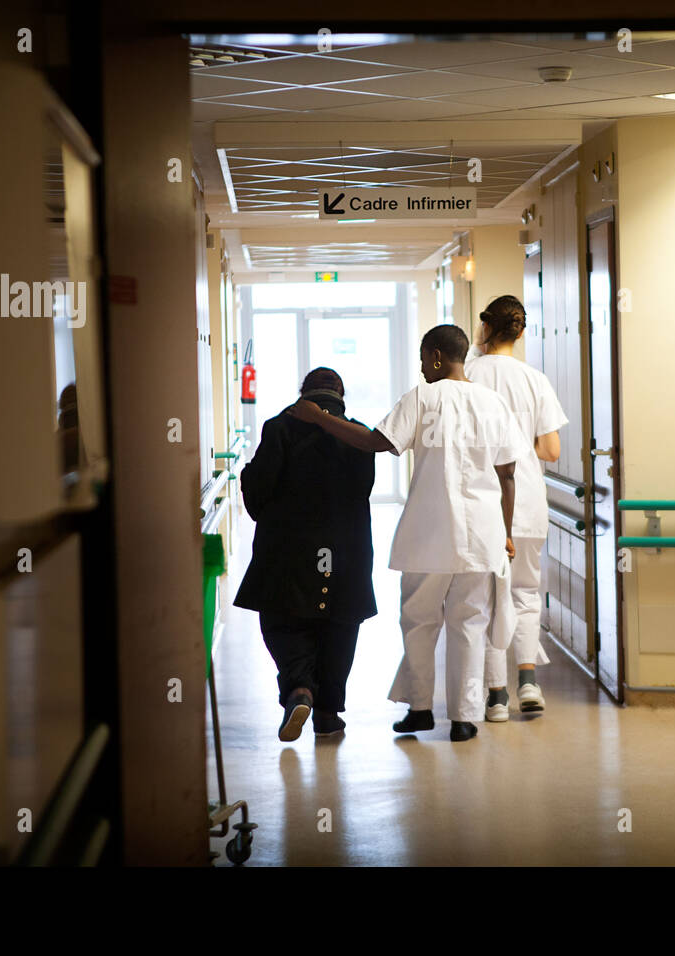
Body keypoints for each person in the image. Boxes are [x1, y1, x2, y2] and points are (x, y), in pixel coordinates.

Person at [288, 324, 527, 742]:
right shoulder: (494, 404)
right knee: (469, 623)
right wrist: (506, 533)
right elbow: (508, 476)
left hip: (430, 534)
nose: (420, 367)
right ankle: (465, 718)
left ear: (436, 356)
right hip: (483, 534)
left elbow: (373, 441)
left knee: (419, 621)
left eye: (422, 358)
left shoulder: (424, 396)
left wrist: (321, 419)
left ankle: (419, 710)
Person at [233, 367, 377, 742]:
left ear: (304, 393)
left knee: (284, 621)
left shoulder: (278, 428)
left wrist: (249, 476)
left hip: (288, 549)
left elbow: (259, 495)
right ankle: (327, 714)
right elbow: (363, 487)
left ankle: (299, 690)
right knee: (339, 626)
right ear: (340, 395)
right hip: (346, 552)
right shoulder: (359, 435)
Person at [466, 295, 569, 720]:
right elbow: (551, 450)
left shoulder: (467, 374)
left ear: (485, 328)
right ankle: (528, 681)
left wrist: (476, 345)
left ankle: (496, 697)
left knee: (486, 600)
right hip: (526, 505)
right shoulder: (534, 379)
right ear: (522, 332)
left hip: (481, 504)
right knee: (526, 593)